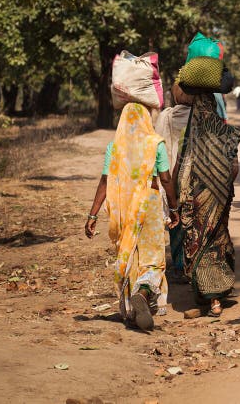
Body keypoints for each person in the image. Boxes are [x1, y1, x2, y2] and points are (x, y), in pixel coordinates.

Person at [84, 103, 179, 331]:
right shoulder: (155, 143)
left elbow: (106, 181)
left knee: (130, 255)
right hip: (150, 204)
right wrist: (174, 208)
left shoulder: (114, 146)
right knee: (153, 258)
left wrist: (93, 214)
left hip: (124, 206)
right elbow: (165, 179)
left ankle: (131, 306)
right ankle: (144, 294)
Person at [173, 86, 240, 317]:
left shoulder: (191, 136)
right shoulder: (226, 132)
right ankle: (216, 294)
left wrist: (181, 198)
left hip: (199, 203)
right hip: (219, 201)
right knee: (217, 243)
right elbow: (234, 169)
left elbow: (181, 171)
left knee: (199, 245)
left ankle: (212, 300)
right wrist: (220, 189)